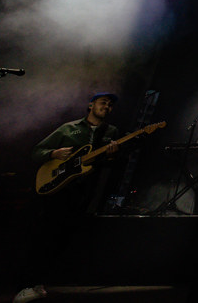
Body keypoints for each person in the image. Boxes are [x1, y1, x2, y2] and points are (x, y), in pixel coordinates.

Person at [13, 91, 122, 303]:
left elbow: (108, 164)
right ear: (91, 105)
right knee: (43, 237)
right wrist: (53, 154)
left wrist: (112, 154)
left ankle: (37, 283)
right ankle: (24, 286)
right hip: (57, 191)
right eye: (103, 102)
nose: (107, 107)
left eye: (110, 105)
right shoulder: (69, 128)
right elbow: (37, 151)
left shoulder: (112, 132)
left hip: (84, 192)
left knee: (61, 241)